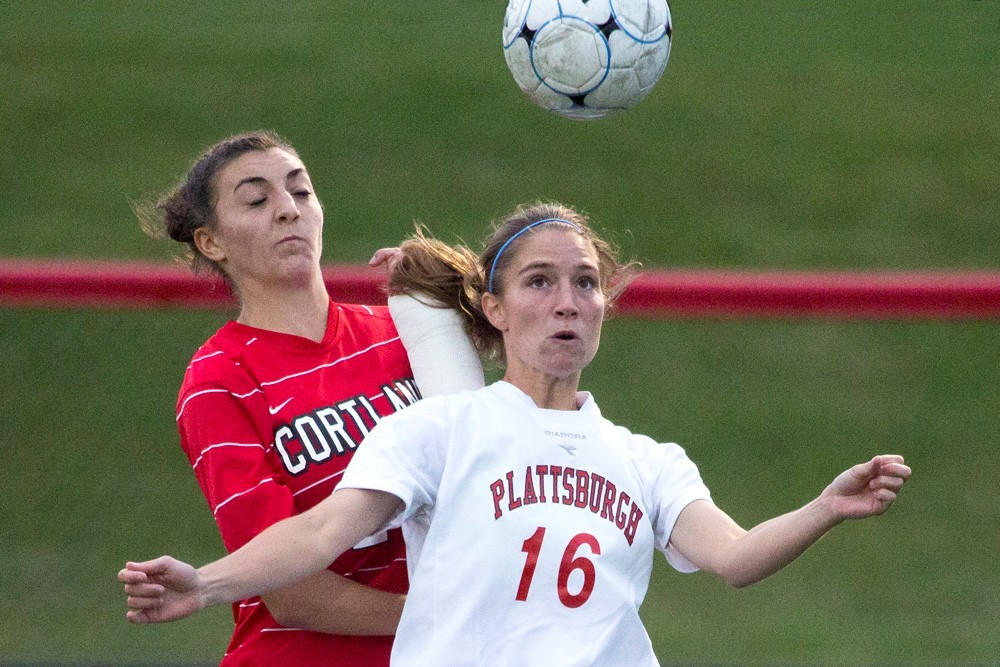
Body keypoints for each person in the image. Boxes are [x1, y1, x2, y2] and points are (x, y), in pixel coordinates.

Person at [121, 202, 912, 665]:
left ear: (604, 309)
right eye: (539, 281)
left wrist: (823, 507)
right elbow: (321, 530)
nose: (567, 301)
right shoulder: (438, 430)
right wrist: (208, 581)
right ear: (493, 310)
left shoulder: (647, 461)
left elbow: (736, 557)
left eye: (586, 283)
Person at [133, 130, 483, 665]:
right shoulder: (220, 379)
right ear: (211, 242)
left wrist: (464, 284)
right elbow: (294, 595)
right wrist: (451, 614)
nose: (287, 211)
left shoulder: (406, 335)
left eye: (301, 192)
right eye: (256, 199)